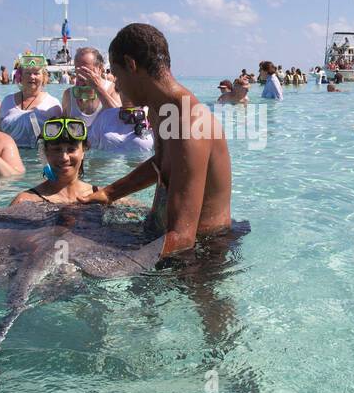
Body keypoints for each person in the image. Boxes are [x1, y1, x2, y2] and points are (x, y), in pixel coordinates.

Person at [78, 24, 232, 257]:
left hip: (203, 252)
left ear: (131, 64)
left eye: (117, 75)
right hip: (164, 237)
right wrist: (110, 193)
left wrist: (108, 262)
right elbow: (163, 162)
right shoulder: (162, 111)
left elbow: (182, 238)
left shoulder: (190, 123)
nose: (117, 85)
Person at [10, 118, 101, 205]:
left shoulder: (100, 196)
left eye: (71, 149)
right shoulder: (26, 201)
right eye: (57, 150)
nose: (64, 158)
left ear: (83, 152)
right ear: (45, 153)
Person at [0, 55, 62, 147]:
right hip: (10, 158)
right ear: (20, 76)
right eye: (28, 73)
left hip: (39, 159)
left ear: (44, 77)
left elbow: (59, 142)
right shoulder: (7, 101)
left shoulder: (52, 104)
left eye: (36, 73)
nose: (32, 77)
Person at [60, 46, 120, 124]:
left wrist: (97, 88)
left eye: (86, 71)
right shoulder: (68, 94)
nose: (81, 75)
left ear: (100, 69)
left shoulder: (113, 89)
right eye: (78, 70)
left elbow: (120, 119)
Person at [86, 95, 155, 158]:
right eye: (123, 89)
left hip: (140, 170)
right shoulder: (106, 115)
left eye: (131, 89)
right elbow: (89, 148)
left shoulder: (154, 118)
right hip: (107, 170)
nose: (126, 94)